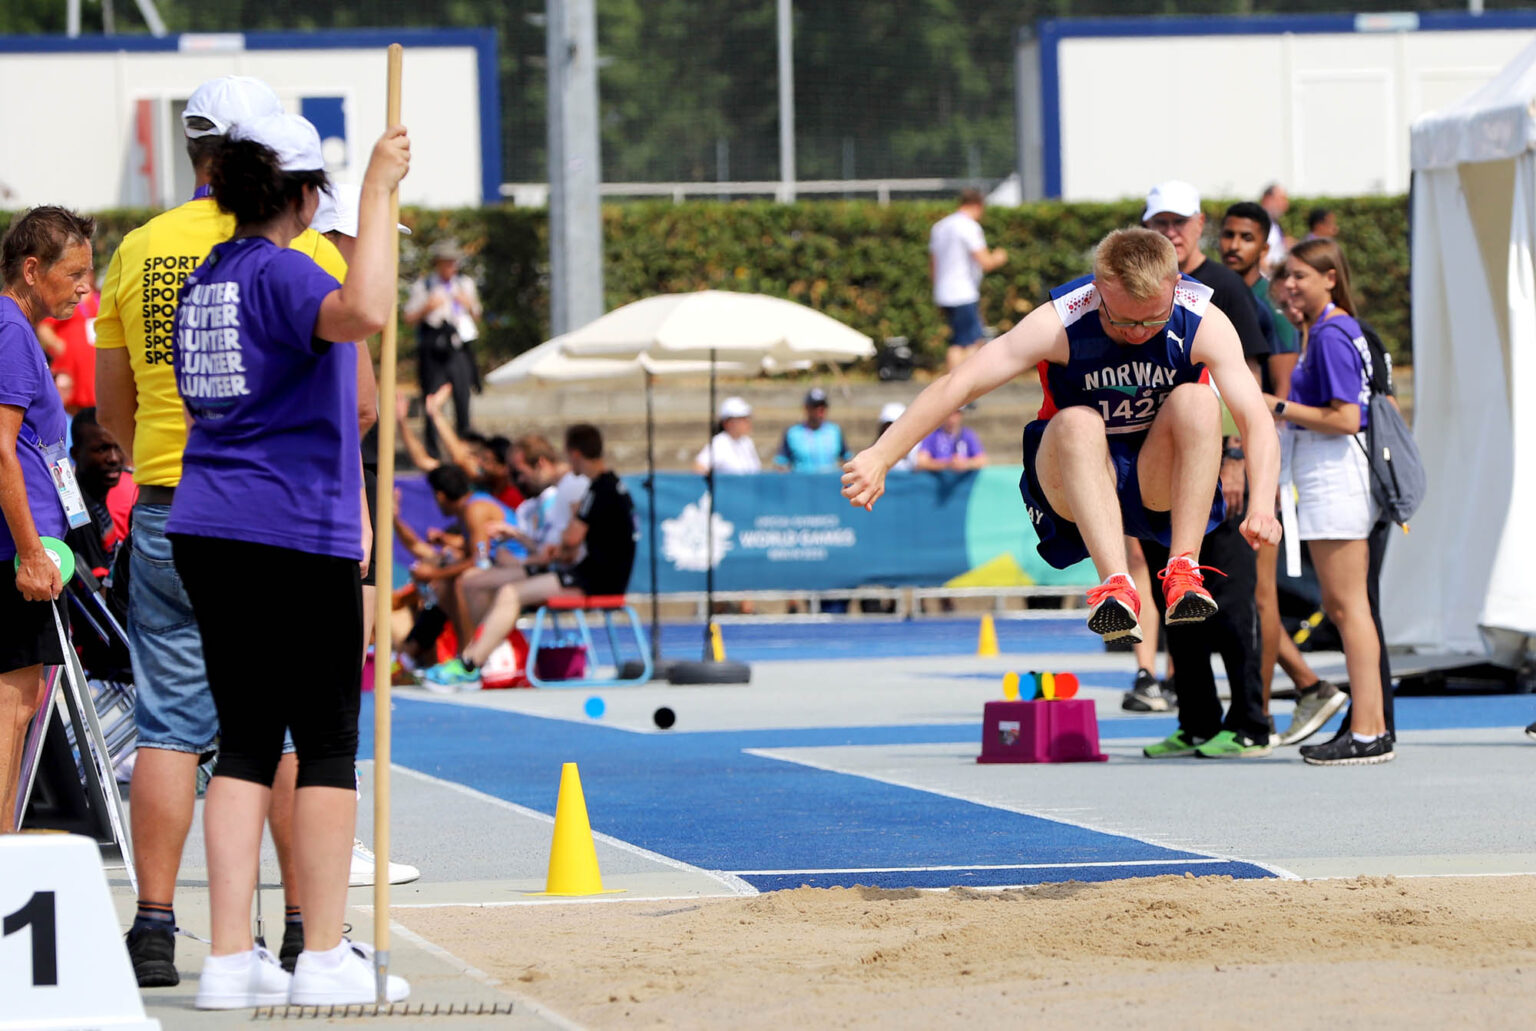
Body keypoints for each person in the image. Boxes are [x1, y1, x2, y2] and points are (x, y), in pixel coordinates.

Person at [94, 74, 351, 989]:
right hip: (278, 508)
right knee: (283, 728)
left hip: (174, 497)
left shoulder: (144, 246)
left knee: (171, 723)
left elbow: (111, 403)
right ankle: (303, 927)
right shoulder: (297, 248)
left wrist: (151, 452)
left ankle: (157, 924)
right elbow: (356, 387)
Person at [165, 112, 412, 1007]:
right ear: (307, 197)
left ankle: (231, 957)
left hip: (211, 522)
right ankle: (324, 953)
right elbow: (366, 312)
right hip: (291, 528)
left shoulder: (206, 278)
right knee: (327, 742)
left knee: (244, 741)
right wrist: (378, 192)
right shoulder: (286, 271)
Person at [843, 227, 1281, 646]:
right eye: (1123, 320)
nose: (1137, 333)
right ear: (1098, 289)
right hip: (1073, 476)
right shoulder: (1059, 320)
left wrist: (1262, 503)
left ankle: (1184, 568)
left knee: (1199, 400)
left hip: (1154, 475)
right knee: (1076, 421)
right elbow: (960, 384)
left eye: (1153, 320)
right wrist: (882, 455)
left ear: (1176, 285)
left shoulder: (1202, 319)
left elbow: (1256, 419)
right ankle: (1115, 585)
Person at [308, 182, 423, 892]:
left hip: (341, 494)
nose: (387, 256)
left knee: (336, 678)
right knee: (332, 681)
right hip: (334, 498)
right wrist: (358, 510)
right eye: (376, 239)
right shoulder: (332, 300)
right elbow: (358, 413)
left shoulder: (340, 303)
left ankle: (328, 838)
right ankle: (331, 841)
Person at [1219, 202, 1347, 735]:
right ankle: (1307, 686)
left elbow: (1277, 402)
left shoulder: (1269, 312)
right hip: (1226, 461)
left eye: (1246, 237)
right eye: (1228, 235)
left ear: (1264, 245)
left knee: (1259, 595)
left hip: (1262, 466)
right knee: (1234, 593)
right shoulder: (1214, 296)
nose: (1234, 245)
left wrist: (1244, 459)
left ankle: (1262, 714)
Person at [1264, 239, 1393, 765]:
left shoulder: (1333, 332)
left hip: (1336, 478)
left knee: (1348, 607)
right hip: (1331, 477)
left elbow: (1346, 417)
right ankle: (1370, 726)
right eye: (1287, 276)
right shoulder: (1325, 329)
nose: (1291, 285)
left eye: (1301, 276)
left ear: (1330, 278)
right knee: (1347, 607)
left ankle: (1368, 730)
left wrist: (1276, 405)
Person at [0, 206, 95, 833]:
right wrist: (32, 551)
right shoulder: (11, 331)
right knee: (11, 705)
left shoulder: (17, 329)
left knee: (21, 701)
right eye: (75, 274)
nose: (85, 288)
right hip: (16, 552)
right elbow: (0, 448)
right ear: (33, 270)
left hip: (24, 547)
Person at [420, 424, 636, 688]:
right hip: (588, 573)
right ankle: (478, 654)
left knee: (510, 592)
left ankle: (472, 663)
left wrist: (545, 552)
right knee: (478, 581)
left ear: (575, 453)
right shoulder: (605, 485)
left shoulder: (597, 489)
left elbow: (570, 542)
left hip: (594, 579)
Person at [403, 239, 481, 455]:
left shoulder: (464, 284)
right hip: (434, 348)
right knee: (431, 398)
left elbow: (477, 314)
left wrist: (467, 304)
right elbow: (408, 317)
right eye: (447, 262)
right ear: (438, 263)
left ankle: (465, 449)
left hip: (458, 346)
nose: (451, 267)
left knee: (463, 398)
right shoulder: (425, 285)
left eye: (454, 262)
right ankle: (433, 452)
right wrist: (427, 307)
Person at [930, 188, 1008, 370]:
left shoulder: (940, 226)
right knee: (967, 343)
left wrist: (937, 289)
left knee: (961, 339)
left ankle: (960, 384)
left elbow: (933, 264)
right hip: (962, 292)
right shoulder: (969, 227)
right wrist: (999, 257)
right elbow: (985, 261)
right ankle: (962, 385)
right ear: (977, 205)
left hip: (944, 292)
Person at [64, 407, 127, 575]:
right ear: (76, 454)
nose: (114, 458)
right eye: (102, 449)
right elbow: (96, 586)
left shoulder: (96, 498)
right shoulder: (79, 514)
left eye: (118, 447)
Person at [37, 267, 100, 413]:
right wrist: (58, 345)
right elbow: (44, 327)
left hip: (93, 364)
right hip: (71, 365)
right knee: (69, 405)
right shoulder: (66, 299)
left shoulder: (99, 298)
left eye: (88, 273)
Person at [775, 388, 850, 472]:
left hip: (829, 478)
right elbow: (781, 463)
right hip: (801, 478)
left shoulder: (835, 431)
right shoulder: (793, 433)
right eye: (815, 406)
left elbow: (846, 458)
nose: (819, 410)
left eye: (823, 407)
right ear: (806, 408)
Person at [694, 396, 761, 475]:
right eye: (741, 419)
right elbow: (699, 467)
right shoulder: (719, 443)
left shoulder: (747, 442)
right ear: (727, 423)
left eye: (747, 418)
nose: (747, 422)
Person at [915, 406, 987, 472]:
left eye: (956, 413)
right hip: (938, 476)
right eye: (949, 413)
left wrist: (966, 464)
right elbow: (922, 461)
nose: (952, 418)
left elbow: (982, 460)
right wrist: (948, 464)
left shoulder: (968, 435)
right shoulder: (932, 435)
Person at [875, 402, 921, 472]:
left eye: (895, 425)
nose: (890, 429)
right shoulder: (873, 453)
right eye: (888, 425)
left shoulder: (916, 450)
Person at [1260, 183, 1291, 267]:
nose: (1286, 204)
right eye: (1282, 199)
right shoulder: (1258, 224)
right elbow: (1258, 259)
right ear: (1267, 199)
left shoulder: (1274, 223)